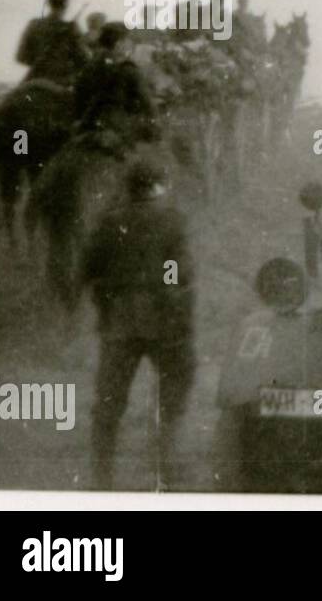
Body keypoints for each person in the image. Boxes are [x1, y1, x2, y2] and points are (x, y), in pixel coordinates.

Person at [82, 160, 195, 490]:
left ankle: (101, 479)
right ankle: (167, 465)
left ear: (129, 187)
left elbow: (88, 268)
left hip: (119, 322)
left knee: (108, 405)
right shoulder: (171, 219)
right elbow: (178, 270)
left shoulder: (109, 221)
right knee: (177, 385)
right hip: (164, 321)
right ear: (157, 185)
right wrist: (170, 289)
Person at [16, 0, 87, 87]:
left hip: (35, 78)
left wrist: (41, 63)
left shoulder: (33, 25)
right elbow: (84, 59)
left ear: (49, 3)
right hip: (62, 83)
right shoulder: (73, 28)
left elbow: (20, 57)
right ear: (66, 5)